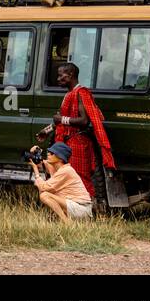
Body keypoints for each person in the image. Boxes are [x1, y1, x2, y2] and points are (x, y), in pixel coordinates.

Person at [47, 63, 116, 199]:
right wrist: (46, 130)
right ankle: (71, 209)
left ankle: (85, 210)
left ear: (71, 75)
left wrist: (62, 119)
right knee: (65, 178)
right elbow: (59, 121)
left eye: (61, 75)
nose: (58, 79)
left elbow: (84, 121)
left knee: (80, 178)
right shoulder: (70, 93)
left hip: (78, 143)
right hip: (67, 144)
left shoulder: (81, 92)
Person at [30, 142, 93, 222]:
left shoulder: (66, 171)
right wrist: (35, 152)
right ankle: (59, 219)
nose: (48, 154)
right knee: (49, 194)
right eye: (48, 152)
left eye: (52, 153)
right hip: (76, 206)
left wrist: (36, 173)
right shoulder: (57, 167)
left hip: (82, 208)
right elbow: (41, 163)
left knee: (45, 195)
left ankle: (66, 222)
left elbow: (43, 188)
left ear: (60, 157)